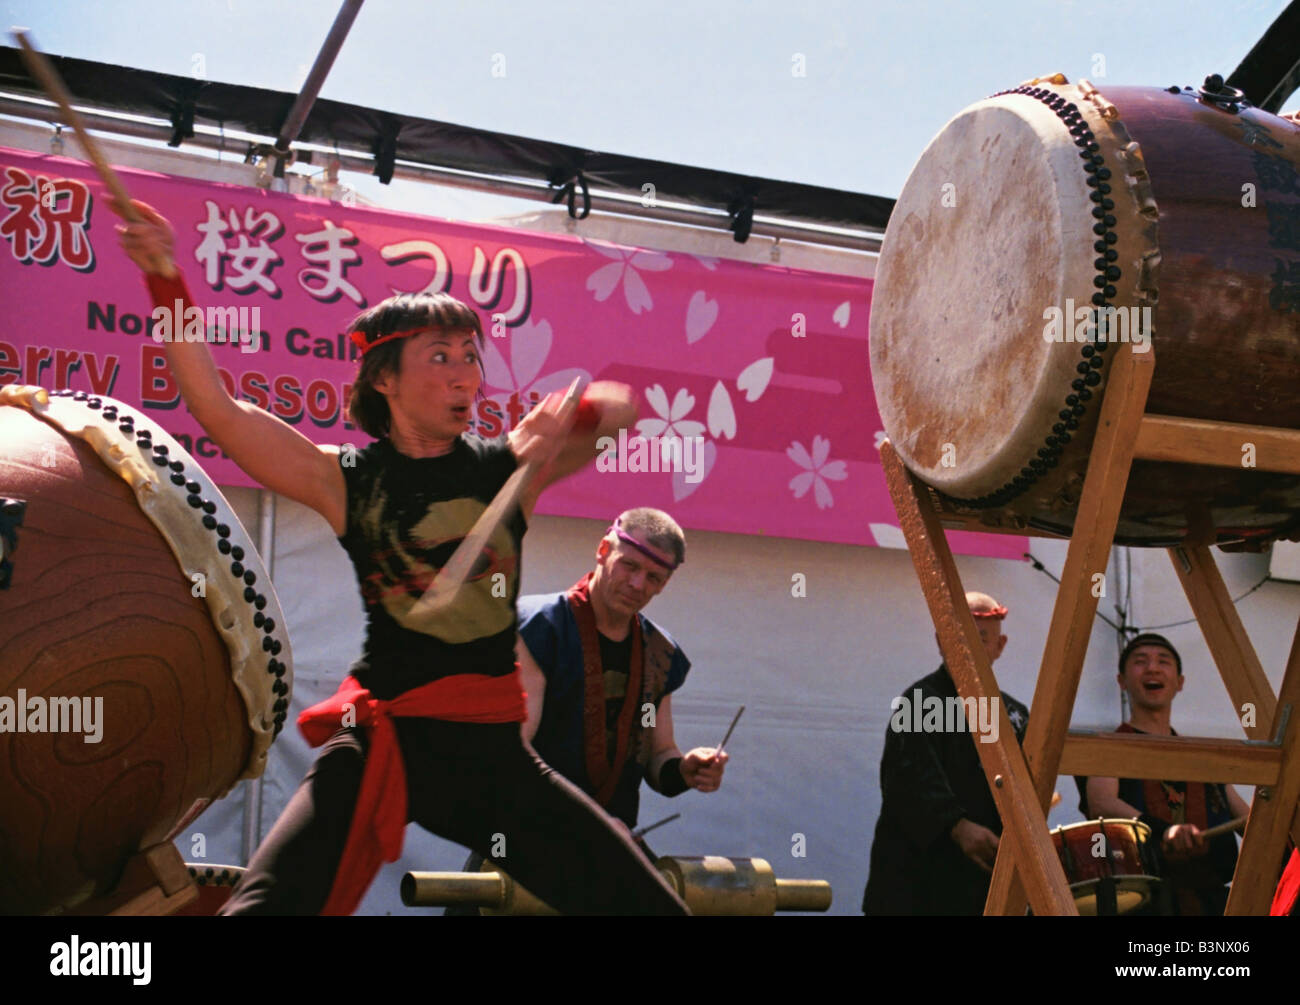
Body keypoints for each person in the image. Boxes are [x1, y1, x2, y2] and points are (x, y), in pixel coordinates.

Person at [116, 201, 688, 916]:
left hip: (489, 752)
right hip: (382, 732)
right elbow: (216, 407)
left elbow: (624, 407)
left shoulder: (508, 470)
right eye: (440, 357)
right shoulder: (345, 480)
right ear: (383, 378)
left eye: (471, 357)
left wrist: (571, 422)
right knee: (259, 909)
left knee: (647, 903)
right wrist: (166, 278)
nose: (464, 376)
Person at [517, 508, 727, 835]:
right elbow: (515, 750)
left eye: (654, 577)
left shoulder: (659, 651)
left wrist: (684, 769)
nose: (637, 584)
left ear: (664, 584)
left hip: (611, 839)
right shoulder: (540, 627)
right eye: (629, 565)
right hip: (526, 832)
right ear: (603, 551)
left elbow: (658, 752)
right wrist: (584, 820)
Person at [862, 592, 1029, 915]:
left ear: (1000, 645)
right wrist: (956, 824)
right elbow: (908, 777)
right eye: (960, 636)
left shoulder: (1014, 715)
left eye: (982, 637)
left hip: (984, 887)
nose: (970, 646)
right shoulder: (920, 701)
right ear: (941, 642)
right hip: (917, 884)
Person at [1080, 633, 1249, 916]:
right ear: (1121, 681)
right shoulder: (1110, 746)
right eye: (1141, 661)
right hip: (1141, 905)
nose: (1153, 669)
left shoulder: (1202, 758)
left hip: (1213, 903)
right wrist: (1163, 832)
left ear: (1180, 683)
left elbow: (1250, 820)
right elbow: (1102, 803)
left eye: (1163, 661)